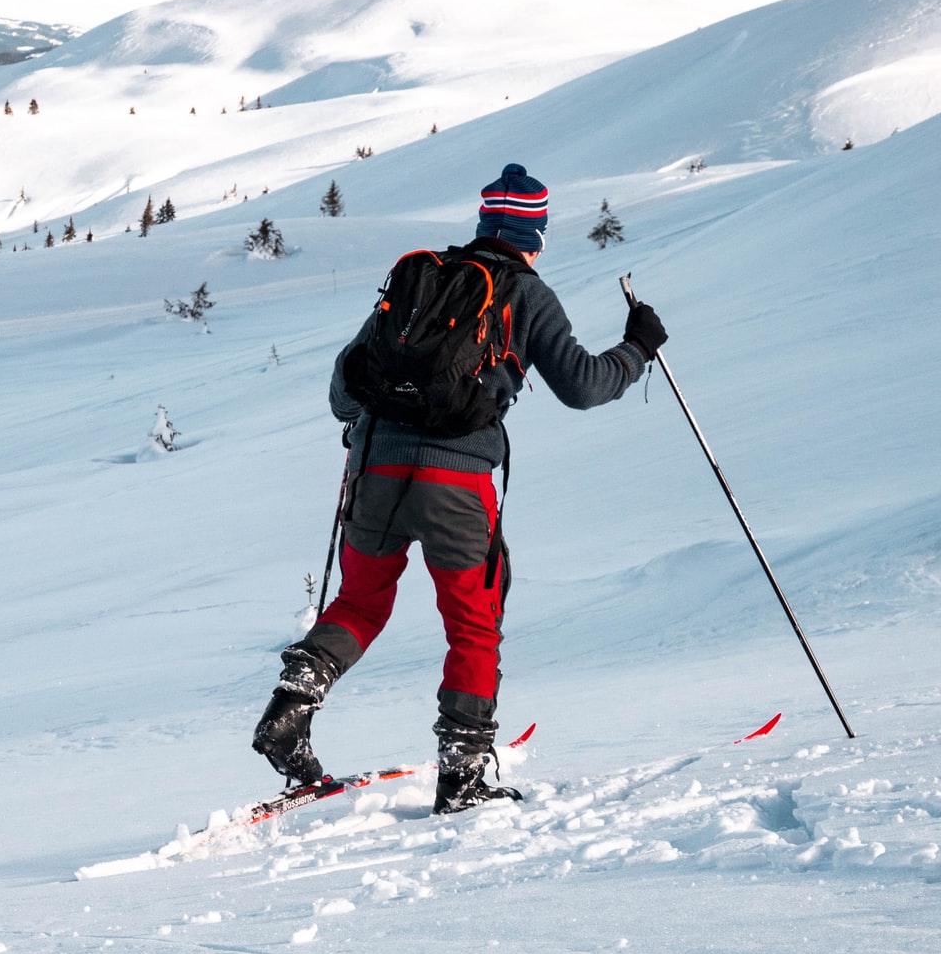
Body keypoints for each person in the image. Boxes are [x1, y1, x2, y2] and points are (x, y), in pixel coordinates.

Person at [252, 163, 668, 813]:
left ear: (481, 226)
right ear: (534, 235)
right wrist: (638, 348)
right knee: (474, 620)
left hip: (374, 469)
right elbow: (584, 385)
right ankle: (464, 772)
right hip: (455, 479)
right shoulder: (525, 293)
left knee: (362, 602)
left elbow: (344, 387)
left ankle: (291, 705)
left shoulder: (418, 280)